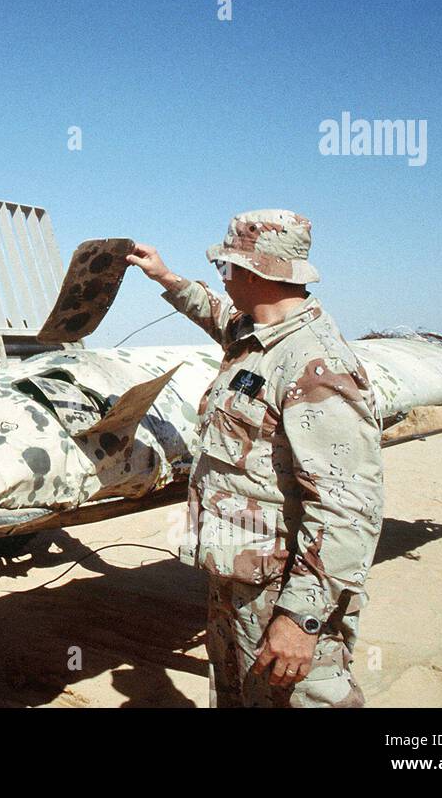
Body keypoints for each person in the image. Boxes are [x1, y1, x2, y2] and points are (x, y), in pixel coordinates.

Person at [127, 210, 384, 708]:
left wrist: (302, 618)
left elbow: (348, 508)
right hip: (239, 581)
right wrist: (164, 275)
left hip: (284, 593)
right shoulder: (255, 337)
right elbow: (216, 313)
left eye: (228, 269)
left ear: (253, 273)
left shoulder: (316, 366)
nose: (224, 280)